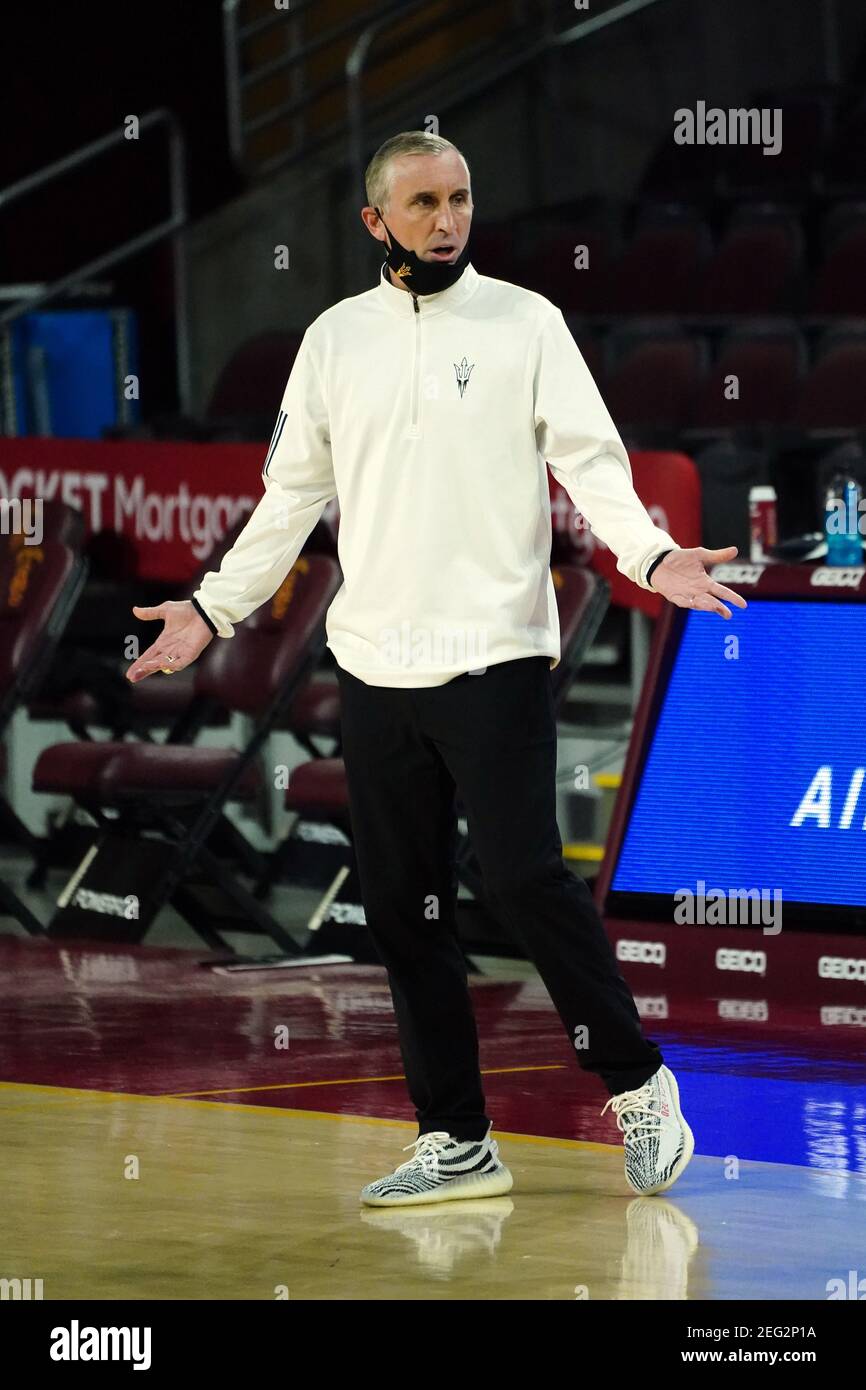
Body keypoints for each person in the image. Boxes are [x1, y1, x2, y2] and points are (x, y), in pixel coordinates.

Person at [126, 131, 746, 1208]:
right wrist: (213, 607)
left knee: (519, 879)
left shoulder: (525, 324)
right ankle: (455, 1137)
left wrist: (649, 556)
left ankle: (639, 1083)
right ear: (374, 221)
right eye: (421, 203)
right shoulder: (331, 341)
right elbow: (288, 502)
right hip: (374, 664)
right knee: (402, 907)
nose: (446, 219)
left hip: (494, 654)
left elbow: (591, 467)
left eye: (459, 197)